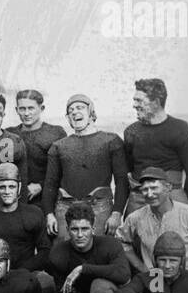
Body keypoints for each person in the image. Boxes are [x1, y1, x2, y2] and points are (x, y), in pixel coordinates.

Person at [43, 93, 129, 239]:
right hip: (66, 207)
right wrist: (49, 214)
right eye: (70, 111)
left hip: (100, 206)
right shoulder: (59, 146)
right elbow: (50, 184)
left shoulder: (111, 141)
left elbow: (122, 181)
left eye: (80, 107)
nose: (75, 112)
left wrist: (116, 213)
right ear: (68, 118)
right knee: (65, 253)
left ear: (91, 112)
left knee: (100, 251)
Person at [123, 77, 188, 214]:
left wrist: (181, 205)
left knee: (173, 235)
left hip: (171, 202)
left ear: (155, 102)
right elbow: (128, 172)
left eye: (139, 100)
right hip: (138, 204)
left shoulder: (180, 129)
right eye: (134, 100)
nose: (134, 105)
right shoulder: (131, 132)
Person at [0, 161, 53, 293]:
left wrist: (19, 272)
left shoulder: (33, 213)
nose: (7, 191)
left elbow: (45, 251)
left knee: (45, 281)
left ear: (19, 187)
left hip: (24, 273)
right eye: (2, 187)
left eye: (11, 186)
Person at [7, 89, 66, 207]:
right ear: (16, 110)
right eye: (22, 109)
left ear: (41, 108)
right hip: (15, 201)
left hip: (47, 200)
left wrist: (41, 186)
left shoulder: (55, 133)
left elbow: (64, 169)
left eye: (31, 108)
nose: (26, 113)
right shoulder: (9, 134)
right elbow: (4, 167)